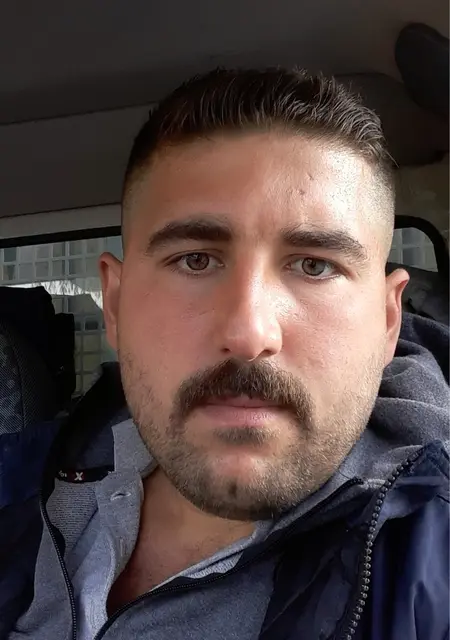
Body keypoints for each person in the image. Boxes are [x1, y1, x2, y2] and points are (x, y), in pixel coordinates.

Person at [1, 68, 449, 640]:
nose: (249, 332)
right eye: (195, 260)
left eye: (315, 266)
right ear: (115, 304)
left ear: (387, 322)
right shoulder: (19, 487)